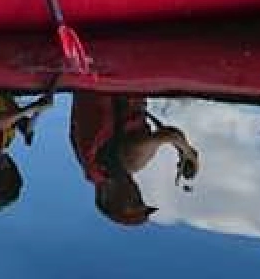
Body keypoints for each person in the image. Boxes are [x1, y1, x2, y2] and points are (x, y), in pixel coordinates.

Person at [69, 92, 200, 226]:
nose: (137, 192)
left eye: (134, 201)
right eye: (140, 199)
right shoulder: (91, 162)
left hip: (118, 80)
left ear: (109, 199)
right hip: (91, 80)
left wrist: (189, 154)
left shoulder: (127, 163)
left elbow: (170, 135)